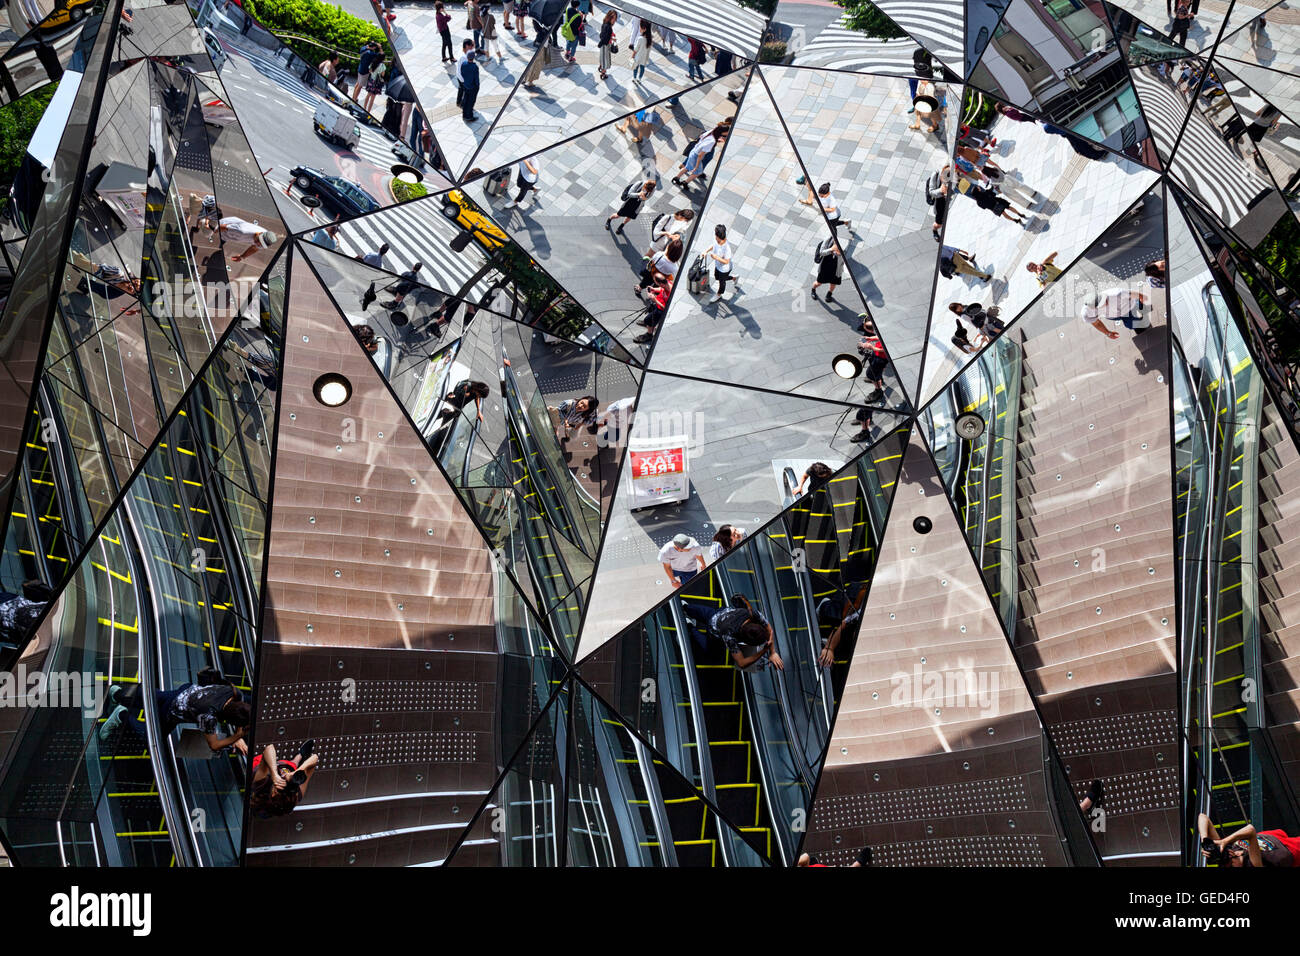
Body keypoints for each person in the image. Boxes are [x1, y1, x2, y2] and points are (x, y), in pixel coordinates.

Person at [100, 668, 250, 752]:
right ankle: (121, 715)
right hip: (175, 709)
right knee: (151, 738)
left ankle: (118, 694)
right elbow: (213, 745)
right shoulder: (208, 716)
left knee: (156, 697)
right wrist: (236, 737)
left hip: (188, 690)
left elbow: (239, 710)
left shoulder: (236, 694)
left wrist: (239, 733)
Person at [1198, 813, 1300, 867]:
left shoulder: (1231, 849)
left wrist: (1205, 841)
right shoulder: (1253, 864)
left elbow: (1203, 817)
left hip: (1277, 838)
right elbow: (1250, 830)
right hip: (1293, 850)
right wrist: (1225, 841)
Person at [250, 741, 319, 818]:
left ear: (274, 793)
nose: (284, 777)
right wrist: (296, 772)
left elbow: (269, 748)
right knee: (292, 766)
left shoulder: (261, 786)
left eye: (283, 781)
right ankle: (299, 757)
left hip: (260, 764)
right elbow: (315, 758)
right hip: (285, 768)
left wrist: (274, 774)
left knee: (278, 764)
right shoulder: (295, 796)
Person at [816, 584, 866, 666]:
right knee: (833, 613)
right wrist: (829, 648)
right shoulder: (857, 612)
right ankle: (824, 604)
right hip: (850, 598)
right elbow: (844, 623)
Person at [0, 579, 53, 645]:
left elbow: (28, 585)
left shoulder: (49, 638)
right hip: (9, 603)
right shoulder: (53, 600)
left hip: (9, 608)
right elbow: (28, 585)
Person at [1081, 288, 1151, 338]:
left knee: (1131, 324)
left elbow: (1139, 295)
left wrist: (1142, 299)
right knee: (1131, 324)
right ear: (1095, 308)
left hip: (1128, 308)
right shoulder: (1087, 314)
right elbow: (1097, 323)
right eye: (1103, 303)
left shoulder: (1117, 293)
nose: (1106, 301)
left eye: (1104, 298)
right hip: (1113, 315)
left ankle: (1138, 304)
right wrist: (1108, 333)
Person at [674, 124, 727, 188]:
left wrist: (717, 140)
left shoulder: (711, 132)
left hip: (693, 151)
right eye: (727, 132)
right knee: (698, 172)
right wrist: (696, 167)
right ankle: (685, 182)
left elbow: (701, 136)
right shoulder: (712, 142)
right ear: (722, 132)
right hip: (696, 156)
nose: (727, 134)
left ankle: (676, 178)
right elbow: (700, 155)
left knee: (687, 167)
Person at [208, 217, 277, 262]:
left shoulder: (263, 241)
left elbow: (254, 248)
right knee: (212, 234)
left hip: (232, 234)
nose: (258, 244)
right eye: (259, 240)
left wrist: (242, 257)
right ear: (260, 233)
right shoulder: (242, 231)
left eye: (261, 244)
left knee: (224, 240)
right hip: (225, 226)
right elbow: (223, 227)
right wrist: (214, 231)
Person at [811, 235, 843, 302]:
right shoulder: (828, 240)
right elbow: (821, 253)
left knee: (833, 283)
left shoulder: (841, 247)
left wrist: (839, 254)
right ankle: (813, 290)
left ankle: (829, 294)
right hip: (825, 268)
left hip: (836, 269)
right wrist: (831, 249)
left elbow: (843, 261)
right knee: (818, 283)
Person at [597, 9, 617, 78]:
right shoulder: (609, 27)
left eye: (615, 19)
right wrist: (611, 38)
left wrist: (611, 37)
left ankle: (601, 66)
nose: (614, 20)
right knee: (605, 59)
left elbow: (602, 34)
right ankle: (603, 73)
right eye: (613, 18)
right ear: (609, 17)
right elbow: (605, 38)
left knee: (603, 57)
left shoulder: (605, 23)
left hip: (604, 44)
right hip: (605, 45)